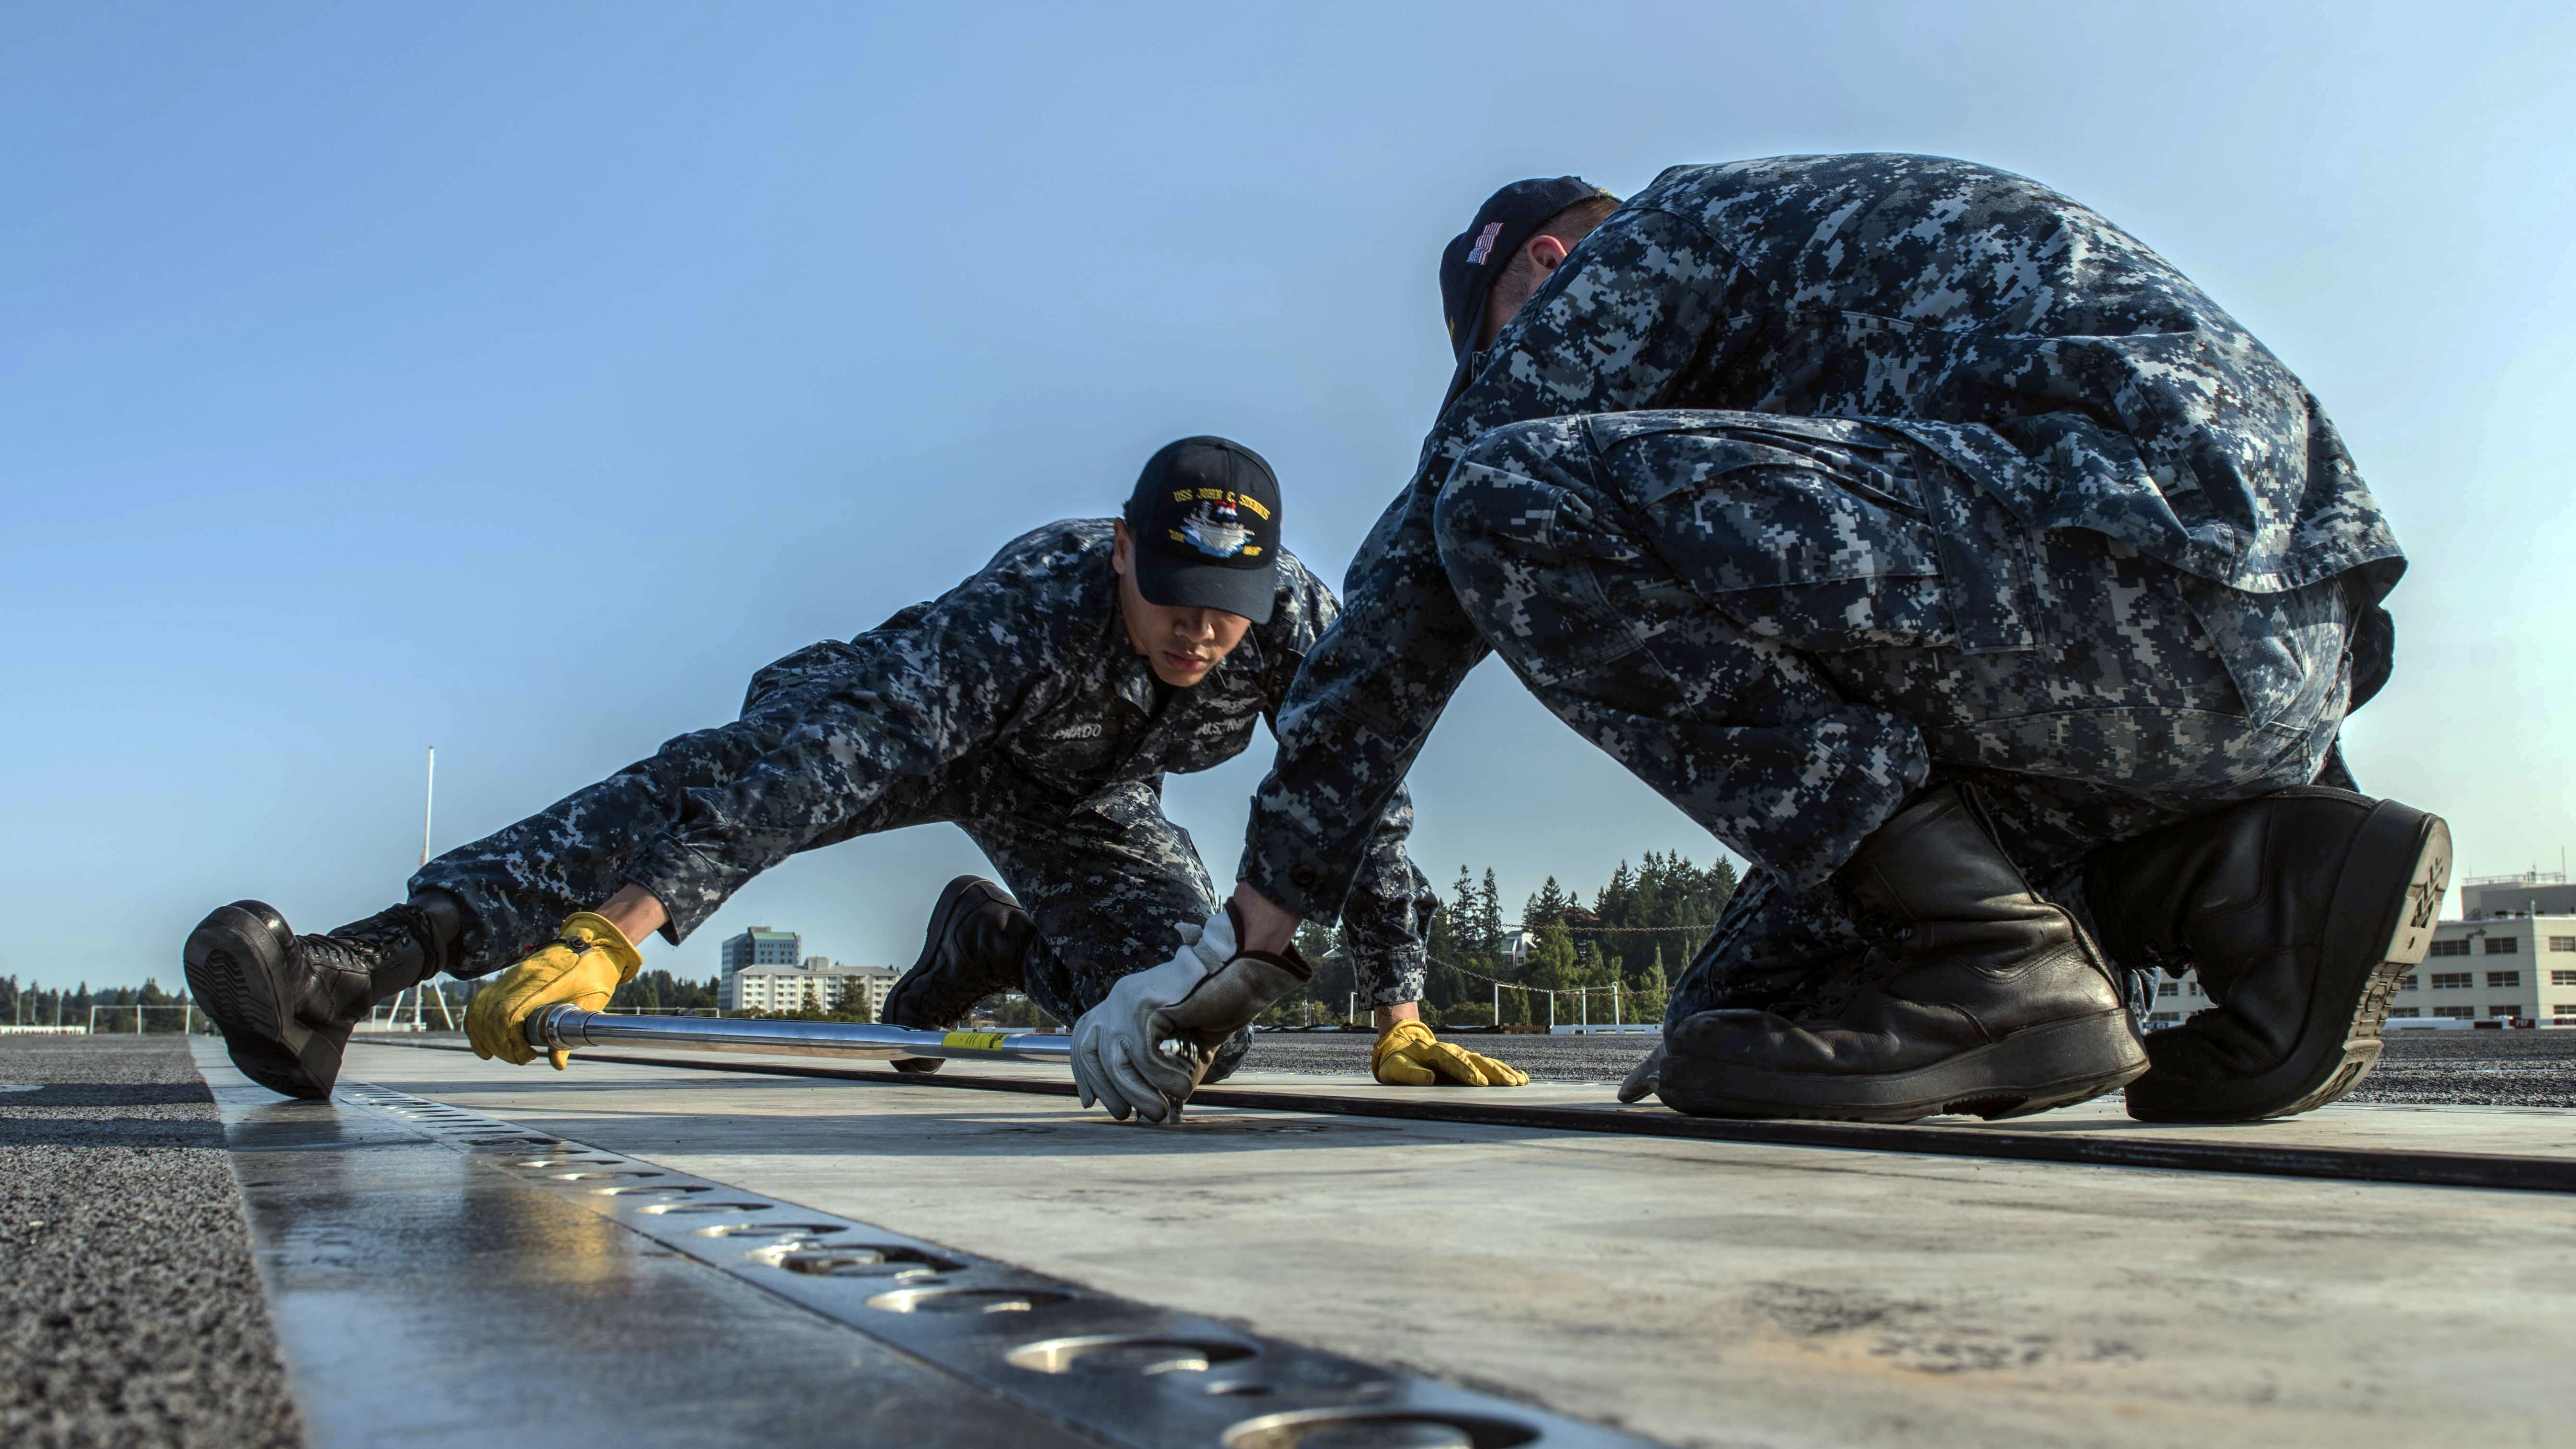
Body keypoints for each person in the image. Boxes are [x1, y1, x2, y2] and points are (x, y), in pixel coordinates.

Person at [1068, 159, 2450, 1127]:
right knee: (1735, 1016)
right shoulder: (1814, 285)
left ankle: (1994, 953)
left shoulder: (1642, 248)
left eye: (1493, 352)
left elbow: (1424, 560)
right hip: (2251, 651)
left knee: (1502, 497)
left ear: (1545, 264)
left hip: (2116, 567)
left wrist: (1249, 920)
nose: (1504, 386)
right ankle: (2271, 882)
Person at [184, 437, 1526, 1103]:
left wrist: (1397, 1013)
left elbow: (1360, 796)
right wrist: (621, 929)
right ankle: (351, 970)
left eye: (1222, 605)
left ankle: (988, 943)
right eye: (1172, 592)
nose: (1199, 630)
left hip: (1085, 805)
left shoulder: (1295, 623)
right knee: (717, 777)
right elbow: (835, 758)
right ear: (1122, 549)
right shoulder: (1031, 606)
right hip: (914, 718)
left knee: (1182, 1031)